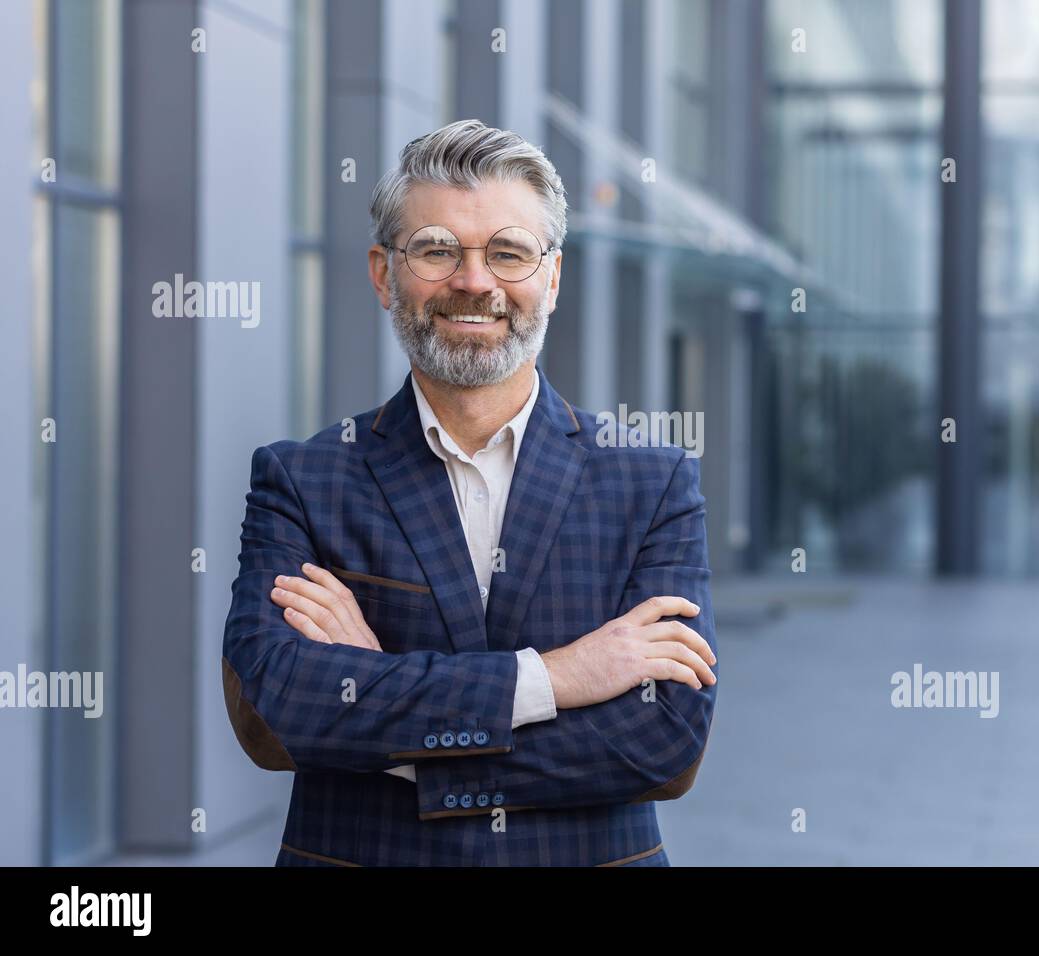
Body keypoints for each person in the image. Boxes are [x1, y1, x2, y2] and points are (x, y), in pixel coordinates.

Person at [221, 119, 719, 867]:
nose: (475, 281)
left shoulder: (652, 483)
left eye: (508, 252)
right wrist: (558, 677)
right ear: (385, 273)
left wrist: (379, 699)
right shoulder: (302, 480)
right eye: (435, 249)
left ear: (551, 278)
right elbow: (282, 711)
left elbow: (666, 740)